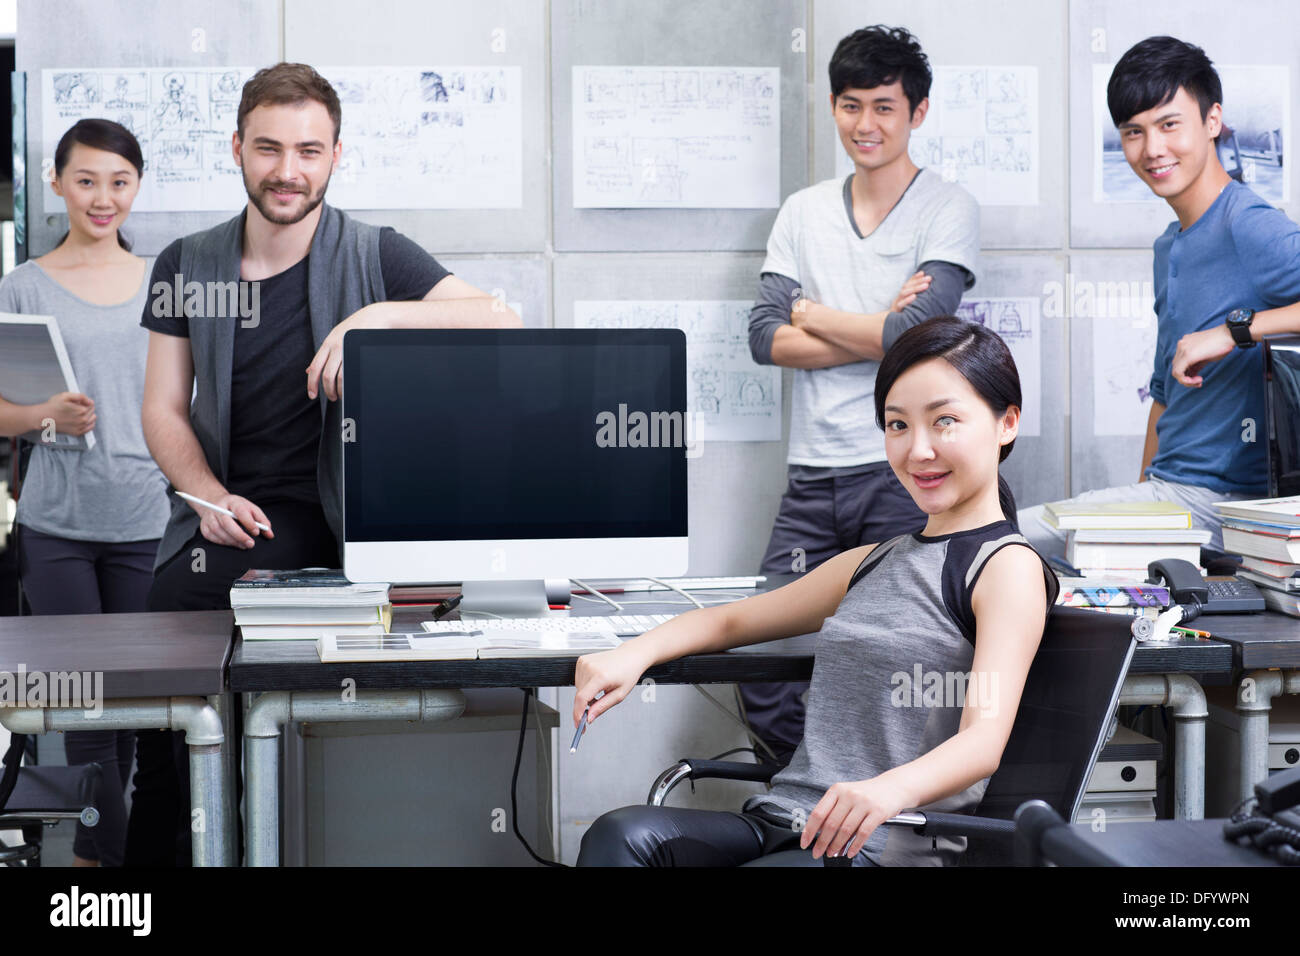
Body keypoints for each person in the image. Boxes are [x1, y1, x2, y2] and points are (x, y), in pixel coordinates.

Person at [129, 62, 521, 866]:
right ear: (237, 148)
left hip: (326, 523)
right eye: (269, 148)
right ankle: (161, 848)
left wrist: (374, 320)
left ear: (336, 154)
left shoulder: (374, 254)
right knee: (165, 690)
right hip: (216, 518)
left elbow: (499, 318)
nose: (287, 170)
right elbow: (163, 409)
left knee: (261, 719)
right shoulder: (185, 266)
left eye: (308, 150)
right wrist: (206, 497)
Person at [574, 317, 1056, 866]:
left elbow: (983, 740)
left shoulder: (1005, 568)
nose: (917, 449)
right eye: (897, 425)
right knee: (619, 836)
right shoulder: (872, 562)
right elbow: (730, 622)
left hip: (879, 843)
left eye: (944, 421)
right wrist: (630, 655)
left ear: (1006, 422)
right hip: (786, 822)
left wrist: (888, 789)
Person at [743, 25, 980, 767]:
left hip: (905, 475)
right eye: (851, 106)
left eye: (884, 106)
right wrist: (879, 326)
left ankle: (878, 819)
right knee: (762, 664)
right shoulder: (803, 212)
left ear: (919, 111)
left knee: (901, 663)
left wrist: (812, 315)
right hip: (814, 476)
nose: (866, 125)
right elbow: (761, 337)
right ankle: (807, 799)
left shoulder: (947, 208)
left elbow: (919, 329)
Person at [1019, 36, 1300, 561]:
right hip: (1174, 499)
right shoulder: (1168, 245)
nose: (1152, 149)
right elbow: (1164, 393)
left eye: (1170, 124)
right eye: (1134, 132)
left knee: (997, 542)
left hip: (1228, 507)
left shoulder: (1247, 222)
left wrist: (1235, 331)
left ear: (1212, 120)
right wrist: (1138, 511)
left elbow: (1232, 333)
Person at [0, 119, 169, 867]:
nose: (104, 198)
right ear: (59, 184)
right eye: (88, 180)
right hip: (57, 525)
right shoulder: (24, 284)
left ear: (136, 188)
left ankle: (106, 858)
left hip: (146, 519)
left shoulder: (166, 279)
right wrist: (44, 415)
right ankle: (94, 865)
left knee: (138, 712)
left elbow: (188, 401)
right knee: (85, 703)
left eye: (120, 181)